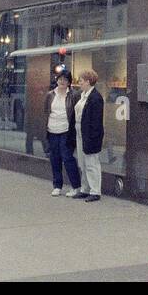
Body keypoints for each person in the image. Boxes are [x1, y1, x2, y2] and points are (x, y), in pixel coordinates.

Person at [44, 67, 82, 197]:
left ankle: (76, 186)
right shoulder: (50, 95)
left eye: (65, 80)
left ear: (69, 82)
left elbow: (77, 112)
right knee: (54, 158)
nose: (62, 82)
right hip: (52, 130)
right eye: (60, 79)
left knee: (67, 158)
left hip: (66, 131)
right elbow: (46, 112)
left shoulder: (74, 95)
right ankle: (57, 185)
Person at [74, 69, 104, 202]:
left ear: (88, 81)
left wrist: (93, 137)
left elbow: (96, 121)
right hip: (80, 131)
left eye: (81, 80)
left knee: (91, 162)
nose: (79, 82)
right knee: (82, 162)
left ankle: (95, 191)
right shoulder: (83, 95)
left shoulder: (95, 98)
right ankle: (85, 188)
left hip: (90, 134)